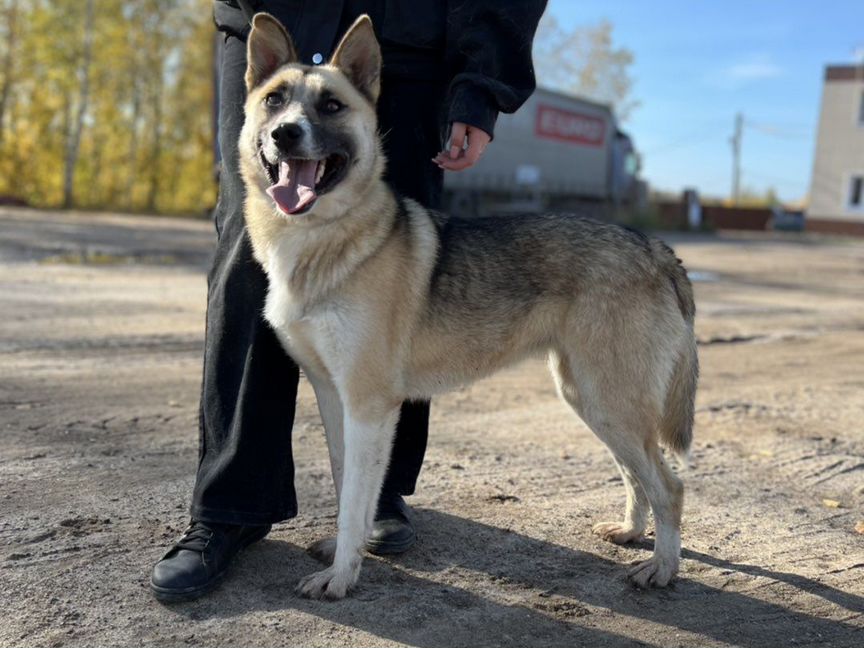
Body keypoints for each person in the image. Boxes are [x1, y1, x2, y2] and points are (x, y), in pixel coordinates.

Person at [150, 0, 547, 601]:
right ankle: (230, 503)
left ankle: (372, 500)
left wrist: (480, 85)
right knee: (244, 244)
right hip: (267, 11)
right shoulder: (271, 95)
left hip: (408, 35)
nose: (293, 121)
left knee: (406, 263)